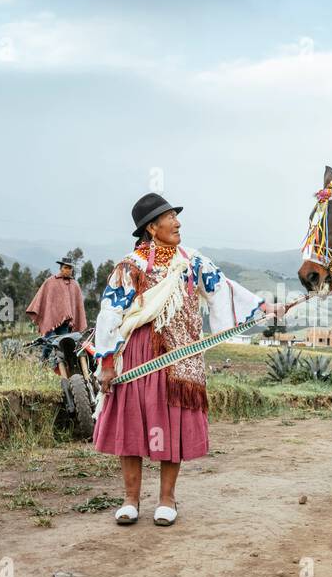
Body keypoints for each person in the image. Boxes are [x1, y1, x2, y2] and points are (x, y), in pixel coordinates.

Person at [92, 193, 278, 526]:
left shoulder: (192, 262)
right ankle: (130, 499)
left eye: (176, 218)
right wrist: (107, 363)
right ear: (152, 227)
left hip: (180, 358)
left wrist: (264, 308)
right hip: (138, 356)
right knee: (133, 422)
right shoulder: (130, 266)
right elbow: (110, 312)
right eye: (169, 218)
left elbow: (223, 289)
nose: (177, 223)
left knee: (170, 424)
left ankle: (167, 499)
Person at [26, 258, 88, 336]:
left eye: (70, 268)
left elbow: (77, 306)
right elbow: (41, 299)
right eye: (65, 268)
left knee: (63, 345)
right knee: (48, 344)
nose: (68, 270)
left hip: (65, 324)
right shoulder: (51, 282)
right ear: (61, 268)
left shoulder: (75, 285)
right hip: (50, 320)